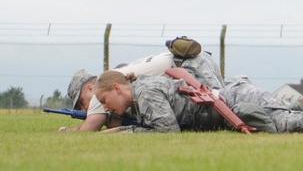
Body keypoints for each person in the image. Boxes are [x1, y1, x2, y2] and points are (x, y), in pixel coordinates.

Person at [94, 66, 303, 134]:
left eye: (106, 100)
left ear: (120, 88)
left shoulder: (145, 92)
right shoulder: (142, 96)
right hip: (235, 102)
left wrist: (120, 132)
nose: (106, 108)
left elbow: (166, 132)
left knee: (301, 124)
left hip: (237, 104)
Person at [64, 46, 224, 132]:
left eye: (81, 102)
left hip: (190, 64)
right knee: (219, 105)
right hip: (192, 60)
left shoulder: (104, 83)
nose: (84, 108)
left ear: (89, 88)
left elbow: (90, 128)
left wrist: (67, 131)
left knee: (222, 104)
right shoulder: (118, 76)